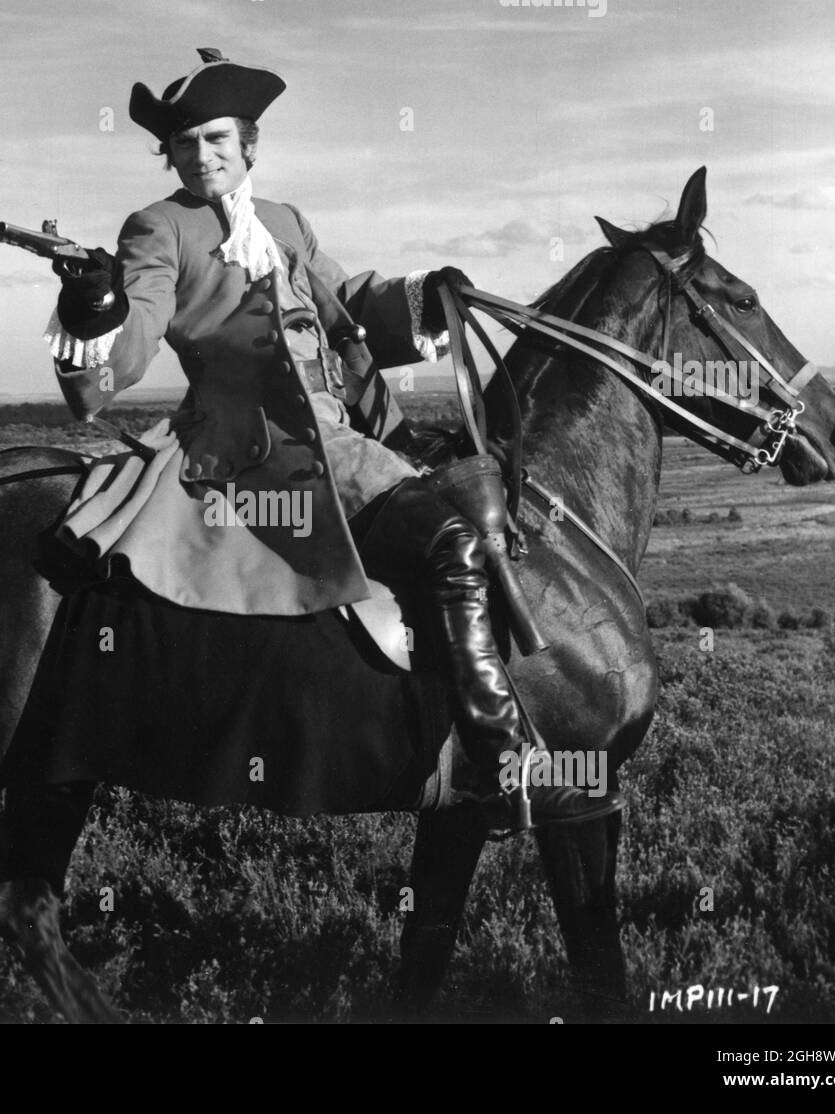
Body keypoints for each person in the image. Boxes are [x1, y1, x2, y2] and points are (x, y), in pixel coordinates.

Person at [42, 48, 622, 833]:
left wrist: (424, 296)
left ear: (249, 145)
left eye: (216, 139)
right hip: (250, 441)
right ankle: (502, 760)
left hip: (340, 427)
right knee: (450, 540)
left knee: (481, 510)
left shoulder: (285, 222)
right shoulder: (158, 227)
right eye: (183, 144)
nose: (200, 156)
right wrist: (95, 306)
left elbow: (345, 302)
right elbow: (137, 333)